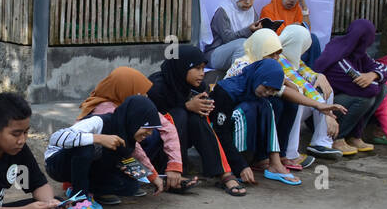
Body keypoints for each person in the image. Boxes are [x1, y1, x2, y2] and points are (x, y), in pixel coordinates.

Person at [78, 67, 189, 200]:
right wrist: (152, 175)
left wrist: (174, 166)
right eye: (140, 93)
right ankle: (90, 189)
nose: (146, 97)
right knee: (133, 142)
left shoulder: (134, 105)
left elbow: (167, 128)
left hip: (121, 156)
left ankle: (118, 180)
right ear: (125, 90)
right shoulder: (105, 109)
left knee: (151, 133)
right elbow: (134, 148)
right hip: (97, 160)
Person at [145, 44, 240, 196]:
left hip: (182, 138)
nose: (202, 74)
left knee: (197, 118)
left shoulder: (198, 87)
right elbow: (154, 121)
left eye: (203, 68)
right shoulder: (157, 86)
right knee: (180, 115)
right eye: (197, 68)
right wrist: (186, 106)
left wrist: (205, 108)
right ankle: (174, 173)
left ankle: (222, 172)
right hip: (155, 145)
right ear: (182, 67)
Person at [315, 19, 387, 157]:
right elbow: (369, 89)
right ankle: (337, 138)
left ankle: (354, 136)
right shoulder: (339, 59)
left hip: (342, 102)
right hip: (323, 110)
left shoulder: (357, 53)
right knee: (366, 98)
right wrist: (375, 79)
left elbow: (384, 69)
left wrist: (373, 74)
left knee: (382, 89)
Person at [209, 58, 301, 187]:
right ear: (258, 77)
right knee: (244, 111)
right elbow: (220, 132)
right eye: (266, 87)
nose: (267, 92)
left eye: (272, 90)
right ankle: (239, 164)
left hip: (232, 135)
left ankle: (275, 163)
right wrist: (240, 165)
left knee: (266, 105)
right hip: (217, 136)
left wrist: (320, 106)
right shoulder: (227, 90)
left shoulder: (255, 90)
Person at [277, 24, 344, 163]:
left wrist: (318, 76)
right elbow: (302, 86)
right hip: (279, 111)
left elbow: (305, 72)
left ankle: (321, 143)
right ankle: (290, 153)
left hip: (288, 109)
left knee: (325, 90)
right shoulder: (278, 57)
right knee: (299, 97)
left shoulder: (290, 54)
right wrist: (327, 112)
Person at [204, 0, 280, 72]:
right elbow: (227, 39)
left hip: (240, 52)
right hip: (215, 54)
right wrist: (249, 30)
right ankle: (236, 78)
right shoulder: (223, 11)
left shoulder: (251, 11)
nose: (248, 2)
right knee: (243, 44)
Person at [260, 0, 324, 65]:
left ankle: (315, 73)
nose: (291, 0)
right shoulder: (268, 10)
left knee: (313, 38)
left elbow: (307, 32)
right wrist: (292, 29)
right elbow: (275, 36)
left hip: (296, 47)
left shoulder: (297, 9)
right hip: (279, 50)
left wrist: (304, 7)